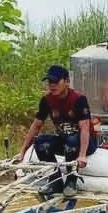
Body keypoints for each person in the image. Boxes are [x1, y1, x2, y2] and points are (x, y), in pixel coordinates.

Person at [16, 65, 98, 199]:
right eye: (50, 82)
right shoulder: (47, 100)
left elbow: (84, 128)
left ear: (66, 82)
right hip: (65, 140)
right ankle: (55, 180)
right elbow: (36, 126)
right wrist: (22, 151)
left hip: (86, 143)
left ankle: (71, 181)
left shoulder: (78, 99)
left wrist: (82, 155)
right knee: (41, 142)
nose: (52, 86)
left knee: (71, 141)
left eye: (56, 82)